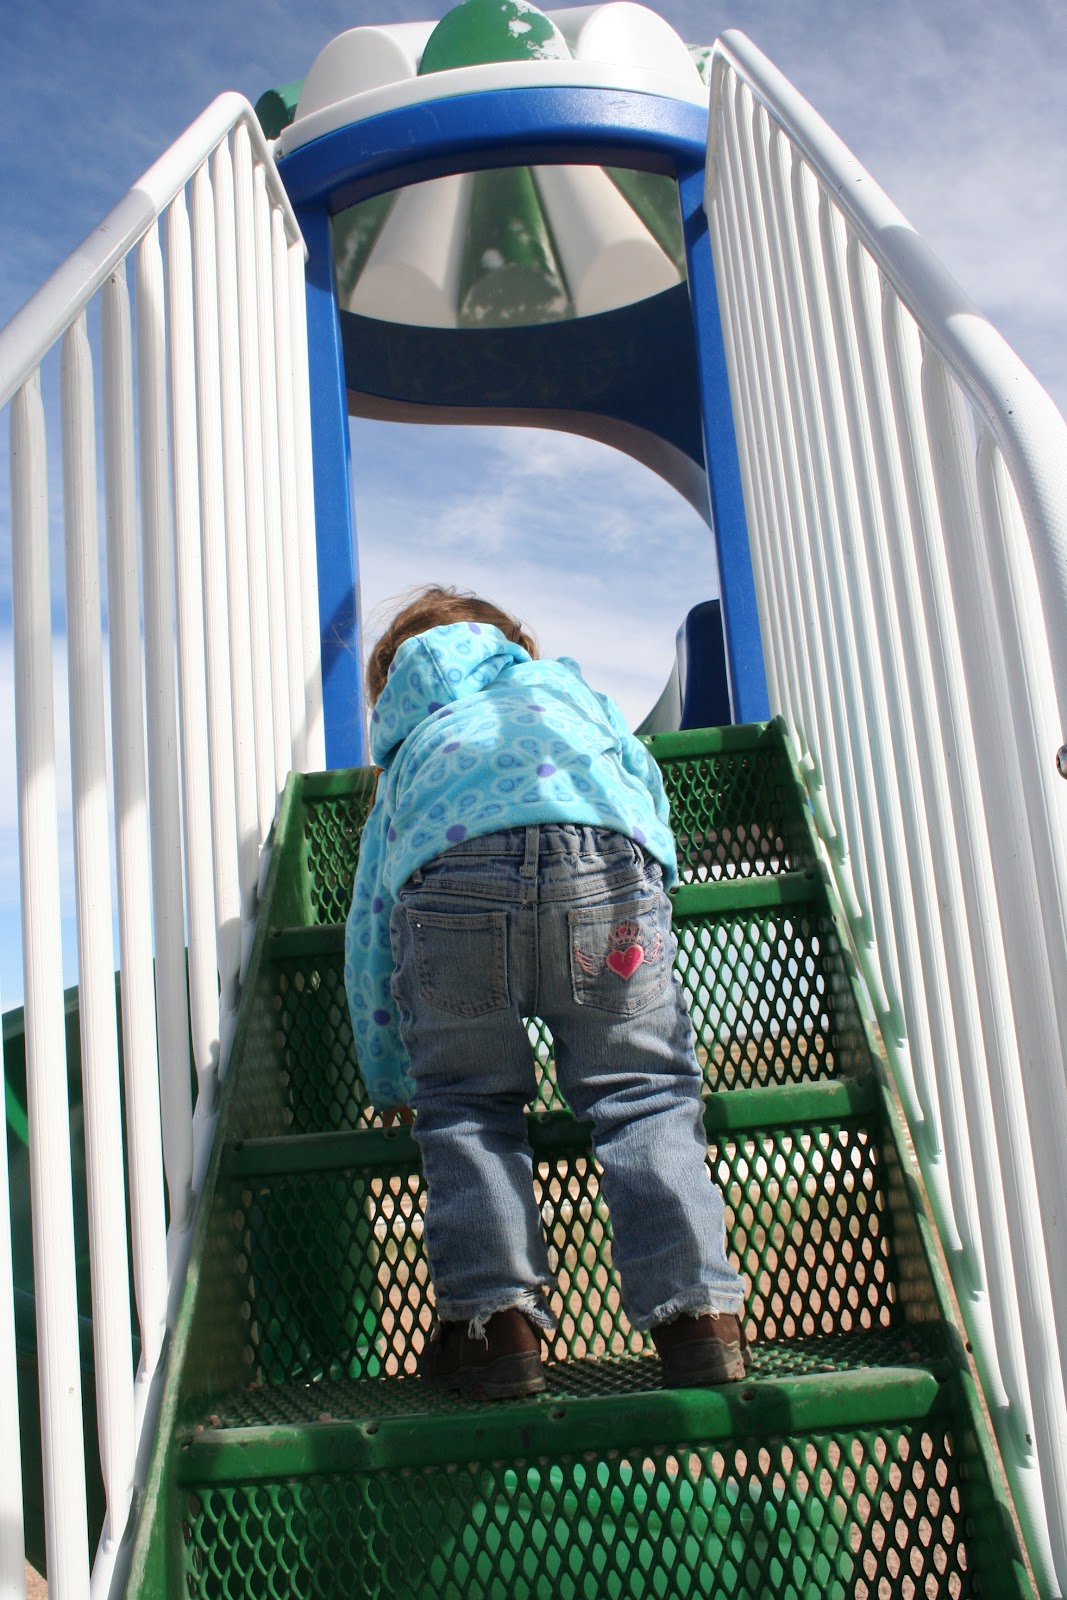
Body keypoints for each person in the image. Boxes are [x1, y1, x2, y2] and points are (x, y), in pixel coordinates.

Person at [344, 586, 747, 1399]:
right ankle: (697, 1317)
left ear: (394, 686)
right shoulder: (567, 696)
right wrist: (652, 887)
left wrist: (387, 1074)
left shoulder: (417, 749)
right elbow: (642, 788)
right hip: (604, 874)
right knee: (642, 1093)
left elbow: (372, 922)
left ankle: (498, 1328)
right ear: (508, 647)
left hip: (450, 883)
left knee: (465, 1103)